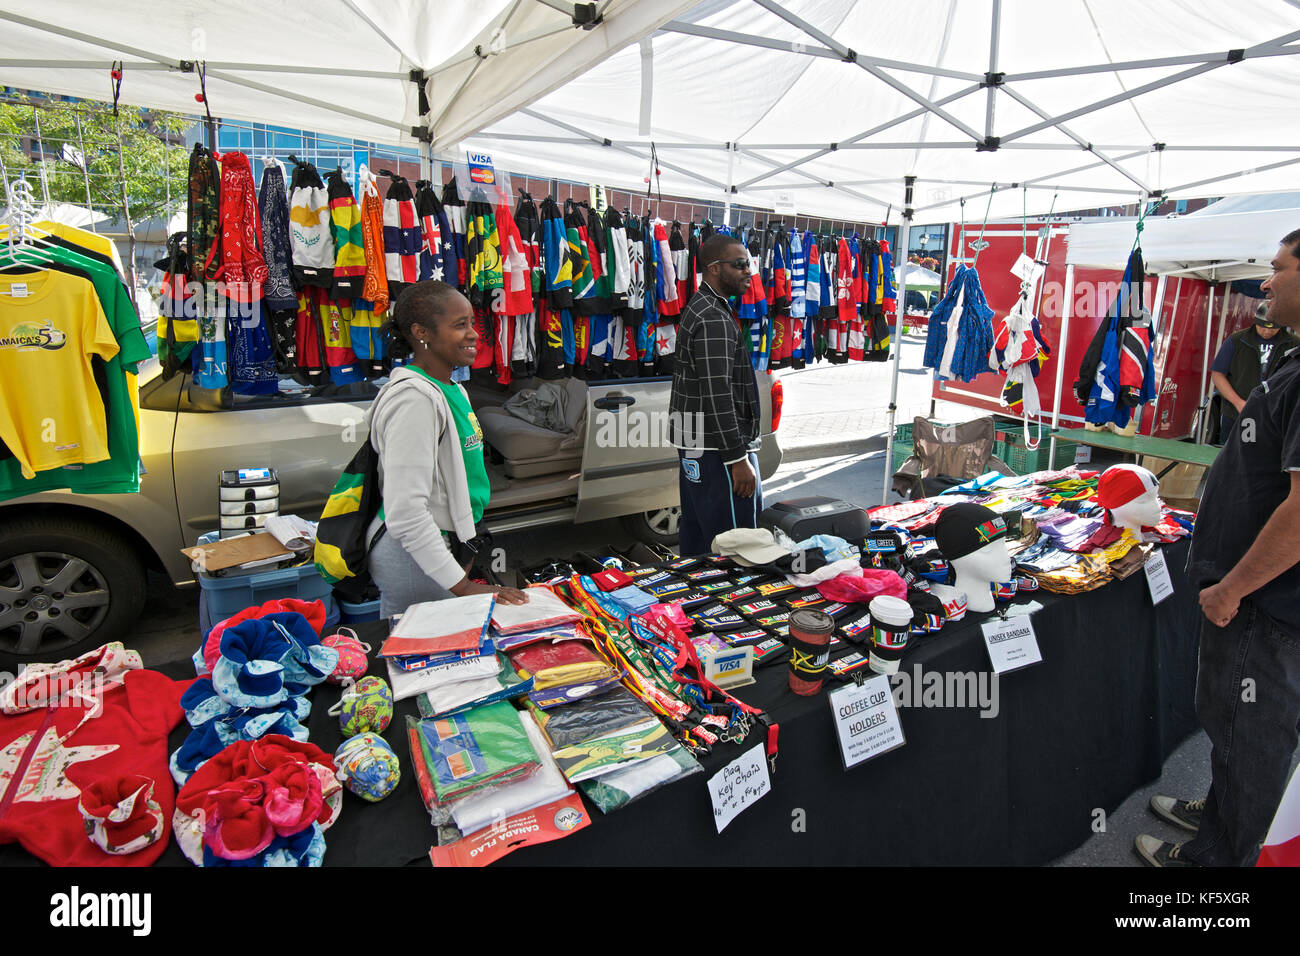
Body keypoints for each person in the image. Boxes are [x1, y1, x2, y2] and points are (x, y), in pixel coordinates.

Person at [1136, 229, 1300, 867]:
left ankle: (1217, 864)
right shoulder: (1288, 358)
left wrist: (1233, 588)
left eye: (1279, 268)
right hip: (1261, 601)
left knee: (1251, 730)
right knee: (1236, 725)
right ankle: (1227, 812)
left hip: (1265, 604)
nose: (1267, 280)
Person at [366, 281, 527, 618]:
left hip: (444, 548)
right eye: (459, 325)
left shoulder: (450, 389)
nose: (473, 334)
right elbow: (407, 512)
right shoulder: (414, 400)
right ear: (421, 332)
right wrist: (464, 587)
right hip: (415, 557)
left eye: (471, 323)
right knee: (423, 658)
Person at [668, 234, 763, 556]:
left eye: (749, 264)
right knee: (736, 545)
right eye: (740, 265)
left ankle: (692, 600)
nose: (748, 271)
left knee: (698, 533)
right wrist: (737, 459)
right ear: (713, 269)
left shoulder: (705, 306)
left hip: (698, 443)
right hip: (716, 450)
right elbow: (717, 392)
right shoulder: (712, 316)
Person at [1208, 300, 1300, 442]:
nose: (1267, 331)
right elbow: (1218, 374)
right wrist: (1239, 403)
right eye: (1263, 327)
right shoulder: (1237, 340)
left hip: (1275, 418)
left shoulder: (1294, 344)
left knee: (1265, 460)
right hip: (1235, 414)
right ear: (1255, 321)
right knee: (1231, 457)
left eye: (1273, 328)